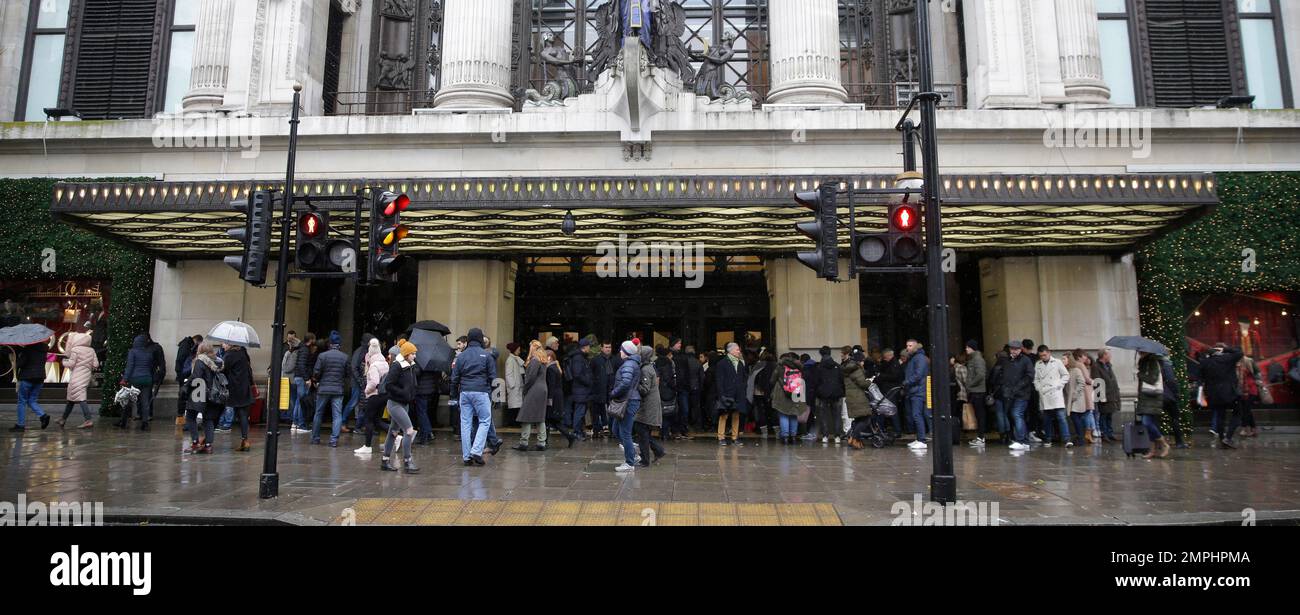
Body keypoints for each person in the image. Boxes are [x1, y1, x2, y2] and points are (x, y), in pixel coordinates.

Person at [453, 328, 497, 466]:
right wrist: (490, 392)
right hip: (481, 391)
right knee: (485, 421)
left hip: (464, 392)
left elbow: (454, 378)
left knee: (465, 424)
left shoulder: (461, 356)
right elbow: (492, 377)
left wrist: (454, 396)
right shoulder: (486, 355)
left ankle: (466, 456)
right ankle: (477, 450)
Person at [380, 340, 420, 473]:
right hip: (395, 404)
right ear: (406, 354)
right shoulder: (397, 366)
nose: (415, 356)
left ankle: (385, 461)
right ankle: (408, 462)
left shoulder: (411, 366)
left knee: (393, 432)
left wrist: (411, 394)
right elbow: (389, 385)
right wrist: (403, 392)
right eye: (413, 353)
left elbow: (413, 383)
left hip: (404, 403)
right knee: (409, 430)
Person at [608, 340, 643, 472]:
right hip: (629, 400)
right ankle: (633, 455)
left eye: (622, 350)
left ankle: (630, 462)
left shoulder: (629, 364)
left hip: (627, 401)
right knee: (616, 429)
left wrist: (613, 393)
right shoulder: (632, 363)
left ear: (627, 352)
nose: (620, 352)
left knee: (625, 432)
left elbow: (625, 383)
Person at [310, 331, 349, 447]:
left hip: (323, 388)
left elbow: (316, 372)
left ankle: (315, 438)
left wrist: (316, 381)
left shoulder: (322, 356)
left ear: (330, 343)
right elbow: (347, 374)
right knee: (337, 415)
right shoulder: (345, 357)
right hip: (338, 389)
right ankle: (333, 440)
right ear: (339, 344)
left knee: (318, 413)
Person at [1201, 343, 1245, 447]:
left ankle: (1221, 438)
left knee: (1220, 415)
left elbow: (1200, 376)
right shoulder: (1228, 359)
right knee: (1238, 413)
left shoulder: (1205, 362)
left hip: (1213, 393)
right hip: (1229, 392)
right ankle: (1228, 437)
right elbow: (1240, 353)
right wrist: (1226, 349)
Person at [184, 342, 223, 454]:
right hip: (213, 394)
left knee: (191, 417)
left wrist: (187, 385)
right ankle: (208, 445)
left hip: (199, 392)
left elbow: (197, 377)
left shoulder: (200, 360)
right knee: (208, 419)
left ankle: (195, 443)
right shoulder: (218, 362)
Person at [355, 338, 390, 455]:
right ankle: (396, 435)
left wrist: (366, 390)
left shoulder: (374, 366)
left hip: (374, 395)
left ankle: (367, 446)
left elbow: (374, 382)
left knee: (368, 419)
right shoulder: (385, 363)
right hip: (384, 395)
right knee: (377, 420)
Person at [57, 331, 98, 429]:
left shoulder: (75, 349)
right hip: (86, 376)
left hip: (77, 376)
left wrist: (63, 362)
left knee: (80, 398)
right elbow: (96, 364)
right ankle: (63, 419)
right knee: (72, 398)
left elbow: (71, 364)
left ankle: (88, 420)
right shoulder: (91, 350)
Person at [116, 333, 157, 431]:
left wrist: (125, 379)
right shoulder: (149, 353)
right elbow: (151, 367)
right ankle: (145, 423)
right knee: (145, 402)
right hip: (147, 379)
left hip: (135, 379)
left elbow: (130, 367)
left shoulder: (132, 352)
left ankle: (123, 421)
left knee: (128, 401)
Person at [1033, 345, 1072, 448]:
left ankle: (1066, 439)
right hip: (1045, 394)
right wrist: (1038, 387)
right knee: (1047, 419)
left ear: (1049, 353)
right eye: (1041, 356)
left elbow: (1066, 375)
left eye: (1044, 355)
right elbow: (1036, 378)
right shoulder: (1038, 364)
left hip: (1055, 394)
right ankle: (1048, 439)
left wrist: (1059, 385)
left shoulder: (1057, 362)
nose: (1043, 357)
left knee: (1061, 417)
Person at [634, 346, 666, 467]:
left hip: (647, 406)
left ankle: (645, 460)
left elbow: (645, 390)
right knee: (643, 431)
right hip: (649, 404)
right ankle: (658, 451)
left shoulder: (645, 369)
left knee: (641, 430)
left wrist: (635, 384)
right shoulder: (648, 367)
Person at [1136, 350, 1171, 459]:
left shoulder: (1152, 362)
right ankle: (1153, 449)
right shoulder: (1144, 362)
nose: (1138, 353)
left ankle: (1164, 444)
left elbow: (1152, 379)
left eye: (1140, 351)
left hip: (1152, 397)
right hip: (1146, 397)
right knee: (1150, 423)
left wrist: (1139, 374)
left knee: (1146, 423)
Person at [515, 341, 550, 451]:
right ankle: (541, 442)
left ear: (533, 348)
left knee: (526, 415)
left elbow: (530, 378)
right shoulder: (543, 359)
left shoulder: (534, 360)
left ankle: (524, 442)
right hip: (542, 388)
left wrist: (525, 390)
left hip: (534, 389)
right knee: (540, 417)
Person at [713, 342, 749, 446]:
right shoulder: (722, 363)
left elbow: (743, 378)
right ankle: (721, 437)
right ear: (731, 351)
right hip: (726, 393)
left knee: (736, 415)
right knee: (724, 415)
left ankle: (734, 437)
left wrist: (743, 389)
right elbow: (719, 381)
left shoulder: (740, 363)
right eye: (737, 350)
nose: (739, 352)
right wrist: (721, 395)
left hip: (738, 394)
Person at [1002, 341, 1036, 451]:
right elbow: (1005, 376)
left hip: (1022, 393)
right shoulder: (1007, 361)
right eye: (1012, 349)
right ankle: (1024, 441)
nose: (1014, 351)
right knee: (1014, 415)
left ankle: (1021, 440)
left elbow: (1030, 375)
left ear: (1020, 349)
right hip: (1010, 393)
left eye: (1016, 349)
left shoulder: (1025, 360)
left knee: (1016, 414)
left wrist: (1018, 386)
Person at [222, 342, 256, 452]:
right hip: (244, 388)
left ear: (230, 344)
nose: (223, 345)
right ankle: (245, 440)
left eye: (225, 343)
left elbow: (223, 370)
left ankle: (206, 439)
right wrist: (252, 384)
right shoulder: (243, 354)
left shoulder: (229, 355)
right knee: (243, 415)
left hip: (233, 388)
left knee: (218, 410)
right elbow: (249, 371)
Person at [770, 353, 807, 444]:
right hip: (796, 393)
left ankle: (785, 437)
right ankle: (793, 436)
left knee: (783, 414)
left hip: (782, 394)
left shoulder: (780, 367)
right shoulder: (799, 367)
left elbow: (772, 381)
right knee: (794, 414)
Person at [811, 346, 845, 444]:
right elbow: (842, 380)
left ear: (821, 354)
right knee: (837, 416)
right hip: (836, 394)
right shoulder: (837, 366)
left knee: (823, 416)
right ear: (830, 353)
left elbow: (815, 381)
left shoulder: (818, 367)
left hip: (823, 395)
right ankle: (837, 436)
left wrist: (818, 392)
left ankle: (825, 436)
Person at [842, 350, 875, 449]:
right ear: (859, 361)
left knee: (859, 419)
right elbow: (862, 383)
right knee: (866, 419)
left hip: (852, 397)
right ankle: (854, 438)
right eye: (862, 361)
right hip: (858, 397)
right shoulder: (856, 369)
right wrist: (870, 381)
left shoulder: (849, 368)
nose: (863, 363)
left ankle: (854, 439)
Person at [545, 347, 576, 447]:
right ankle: (569, 435)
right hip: (557, 397)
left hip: (553, 398)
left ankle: (544, 441)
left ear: (549, 358)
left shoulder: (550, 369)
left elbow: (551, 385)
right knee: (553, 421)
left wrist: (548, 399)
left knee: (549, 419)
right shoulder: (555, 368)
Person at [902, 340, 930, 450]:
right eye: (907, 345)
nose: (907, 348)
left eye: (910, 345)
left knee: (917, 415)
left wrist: (906, 382)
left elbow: (918, 375)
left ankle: (922, 440)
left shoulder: (919, 358)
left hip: (918, 391)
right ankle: (919, 438)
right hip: (915, 390)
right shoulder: (914, 358)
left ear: (916, 346)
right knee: (917, 415)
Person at [344, 333, 375, 432]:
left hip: (360, 382)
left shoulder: (364, 350)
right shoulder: (360, 351)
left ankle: (359, 425)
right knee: (353, 403)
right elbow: (354, 367)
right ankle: (343, 422)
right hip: (357, 383)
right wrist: (360, 380)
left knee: (360, 404)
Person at [565, 339, 594, 441]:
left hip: (581, 390)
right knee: (580, 411)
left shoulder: (581, 357)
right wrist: (588, 382)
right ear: (584, 347)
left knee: (581, 411)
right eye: (588, 346)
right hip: (581, 390)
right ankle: (577, 432)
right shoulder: (578, 358)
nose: (589, 348)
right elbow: (577, 374)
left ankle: (579, 431)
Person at [1157, 355, 1186, 448]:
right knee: (1175, 418)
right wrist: (1176, 393)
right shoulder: (1166, 364)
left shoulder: (1154, 364)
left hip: (1157, 395)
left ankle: (1159, 443)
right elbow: (1171, 380)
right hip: (1168, 396)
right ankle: (1179, 442)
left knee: (1157, 419)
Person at [290, 332, 316, 432]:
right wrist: (307, 379)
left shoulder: (301, 348)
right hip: (301, 378)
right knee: (302, 401)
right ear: (311, 340)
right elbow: (302, 365)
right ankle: (301, 424)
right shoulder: (305, 350)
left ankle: (295, 423)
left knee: (298, 401)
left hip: (299, 377)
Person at [1092, 349, 1121, 442]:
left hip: (1111, 394)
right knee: (1103, 415)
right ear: (1104, 355)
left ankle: (1110, 433)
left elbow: (1113, 380)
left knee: (1109, 415)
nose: (1110, 356)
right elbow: (1097, 381)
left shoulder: (1108, 366)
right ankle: (1104, 433)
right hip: (1103, 396)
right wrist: (1101, 396)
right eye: (1109, 354)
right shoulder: (1096, 366)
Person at [964, 341, 988, 446]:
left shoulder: (977, 360)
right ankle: (980, 436)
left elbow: (980, 375)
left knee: (980, 414)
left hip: (977, 391)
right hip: (975, 390)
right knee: (978, 414)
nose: (966, 349)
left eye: (968, 347)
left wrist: (969, 385)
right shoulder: (974, 359)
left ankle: (981, 437)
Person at [876, 348, 904, 436]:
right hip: (888, 389)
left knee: (891, 410)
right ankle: (882, 428)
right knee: (885, 409)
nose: (884, 359)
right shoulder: (889, 363)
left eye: (885, 357)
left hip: (891, 390)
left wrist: (881, 376)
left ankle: (897, 430)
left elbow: (894, 376)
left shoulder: (894, 364)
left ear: (889, 356)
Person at [174, 334, 201, 425]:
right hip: (184, 375)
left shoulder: (187, 345)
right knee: (183, 395)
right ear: (197, 341)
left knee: (184, 395)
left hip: (185, 374)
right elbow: (181, 360)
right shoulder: (187, 345)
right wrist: (180, 374)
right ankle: (181, 417)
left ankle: (182, 417)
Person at [590, 341, 615, 438]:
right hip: (598, 389)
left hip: (611, 389)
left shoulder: (614, 359)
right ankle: (597, 430)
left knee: (613, 411)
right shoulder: (595, 360)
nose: (608, 349)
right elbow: (591, 373)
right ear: (601, 348)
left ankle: (612, 430)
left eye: (609, 347)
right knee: (596, 411)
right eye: (606, 347)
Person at [654, 346, 678, 441]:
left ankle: (661, 431)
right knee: (668, 412)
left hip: (659, 391)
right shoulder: (669, 363)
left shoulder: (655, 363)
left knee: (661, 412)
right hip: (668, 391)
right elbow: (672, 378)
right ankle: (665, 433)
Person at [748, 350, 774, 438]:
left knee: (760, 411)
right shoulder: (775, 365)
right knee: (771, 411)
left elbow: (751, 379)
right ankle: (774, 430)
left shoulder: (758, 365)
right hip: (771, 392)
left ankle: (763, 431)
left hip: (758, 392)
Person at [1064, 353, 1088, 447]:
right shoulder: (1066, 370)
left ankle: (1080, 438)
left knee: (1075, 417)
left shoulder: (1076, 370)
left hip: (1076, 399)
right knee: (1075, 418)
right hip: (1070, 399)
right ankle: (1079, 437)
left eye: (1064, 359)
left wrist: (1075, 394)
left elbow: (1081, 383)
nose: (1062, 361)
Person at [1237, 354, 1262, 438]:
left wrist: (1258, 381)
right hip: (1243, 390)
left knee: (1246, 410)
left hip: (1250, 390)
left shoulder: (1248, 362)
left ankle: (1244, 429)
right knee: (1247, 410)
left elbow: (1258, 374)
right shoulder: (1238, 364)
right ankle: (1254, 429)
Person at [280, 332, 300, 423]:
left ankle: (291, 416)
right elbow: (287, 367)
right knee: (292, 399)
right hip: (291, 379)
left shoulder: (290, 353)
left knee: (292, 398)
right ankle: (292, 417)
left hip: (289, 378)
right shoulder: (292, 353)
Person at [505, 342, 526, 427]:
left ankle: (516, 422)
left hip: (518, 386)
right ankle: (513, 422)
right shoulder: (510, 360)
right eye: (518, 350)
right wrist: (512, 385)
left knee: (517, 405)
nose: (519, 351)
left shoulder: (516, 359)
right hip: (514, 387)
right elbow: (508, 374)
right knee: (514, 406)